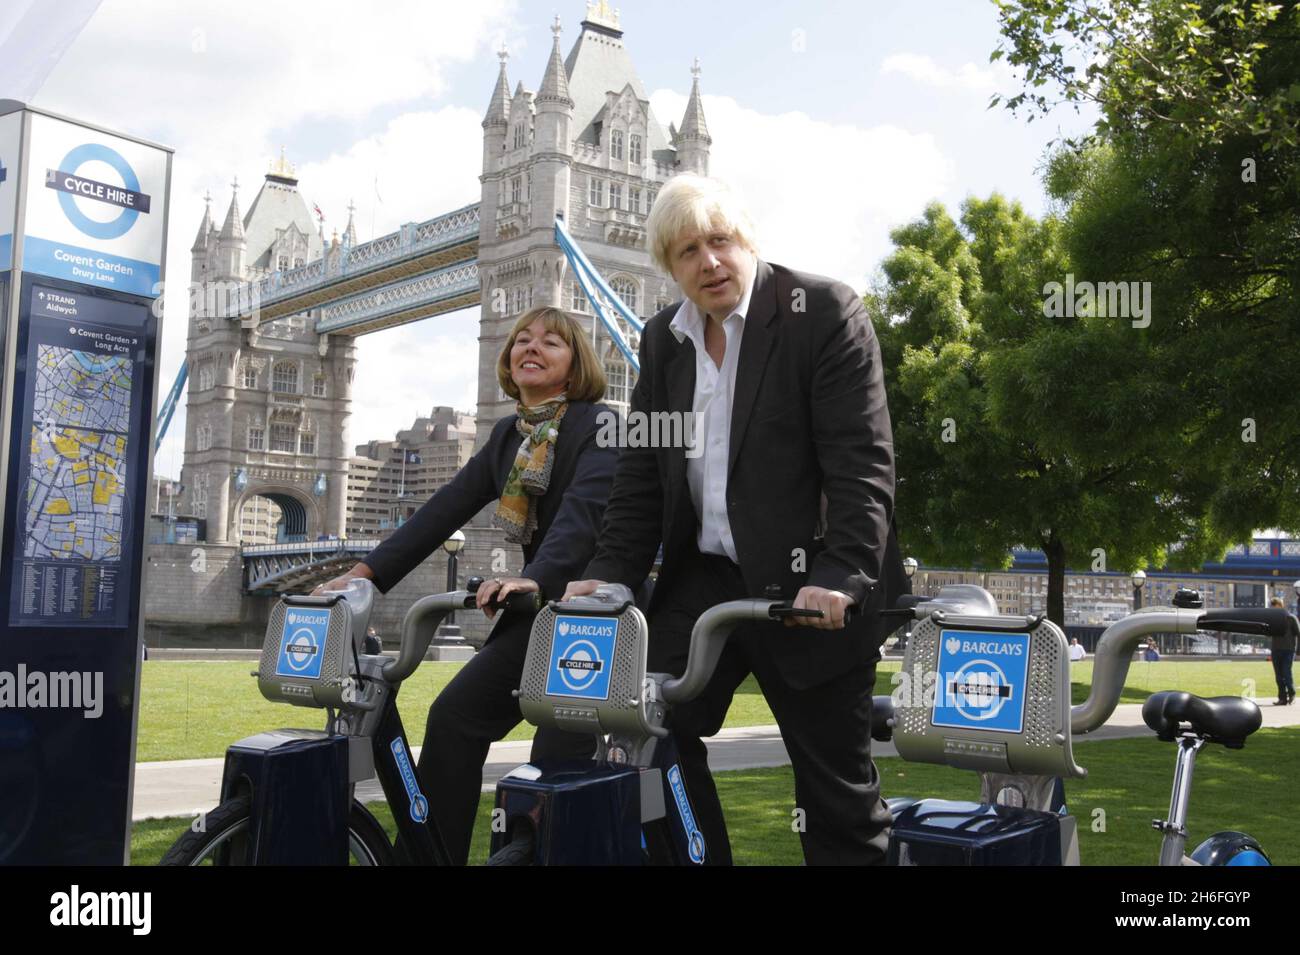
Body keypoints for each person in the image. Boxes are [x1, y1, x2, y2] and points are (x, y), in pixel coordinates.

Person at [563, 174, 908, 865]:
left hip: (809, 588)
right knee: (633, 731)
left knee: (836, 803)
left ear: (747, 241)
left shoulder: (824, 312)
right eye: (687, 250)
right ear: (669, 265)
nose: (709, 262)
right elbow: (642, 476)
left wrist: (842, 573)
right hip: (704, 584)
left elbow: (859, 462)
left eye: (720, 241)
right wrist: (608, 575)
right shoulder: (663, 339)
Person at [313, 306, 617, 863]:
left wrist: (533, 578)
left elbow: (583, 516)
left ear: (576, 366)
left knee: (558, 756)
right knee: (454, 717)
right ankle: (429, 858)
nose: (531, 347)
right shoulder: (511, 436)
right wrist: (366, 575)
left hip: (595, 619)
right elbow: (443, 507)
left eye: (551, 342)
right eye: (521, 340)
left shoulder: (600, 426)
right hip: (538, 611)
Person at [1268, 597, 1298, 706]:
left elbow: (1298, 634)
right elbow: (1268, 634)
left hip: (1288, 650)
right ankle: (1282, 698)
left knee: (1286, 673)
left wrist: (1298, 651)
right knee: (1278, 676)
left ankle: (1292, 694)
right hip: (1276, 650)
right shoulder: (1272, 620)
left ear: (1281, 606)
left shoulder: (1291, 618)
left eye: (1276, 607)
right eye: (1273, 608)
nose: (1275, 610)